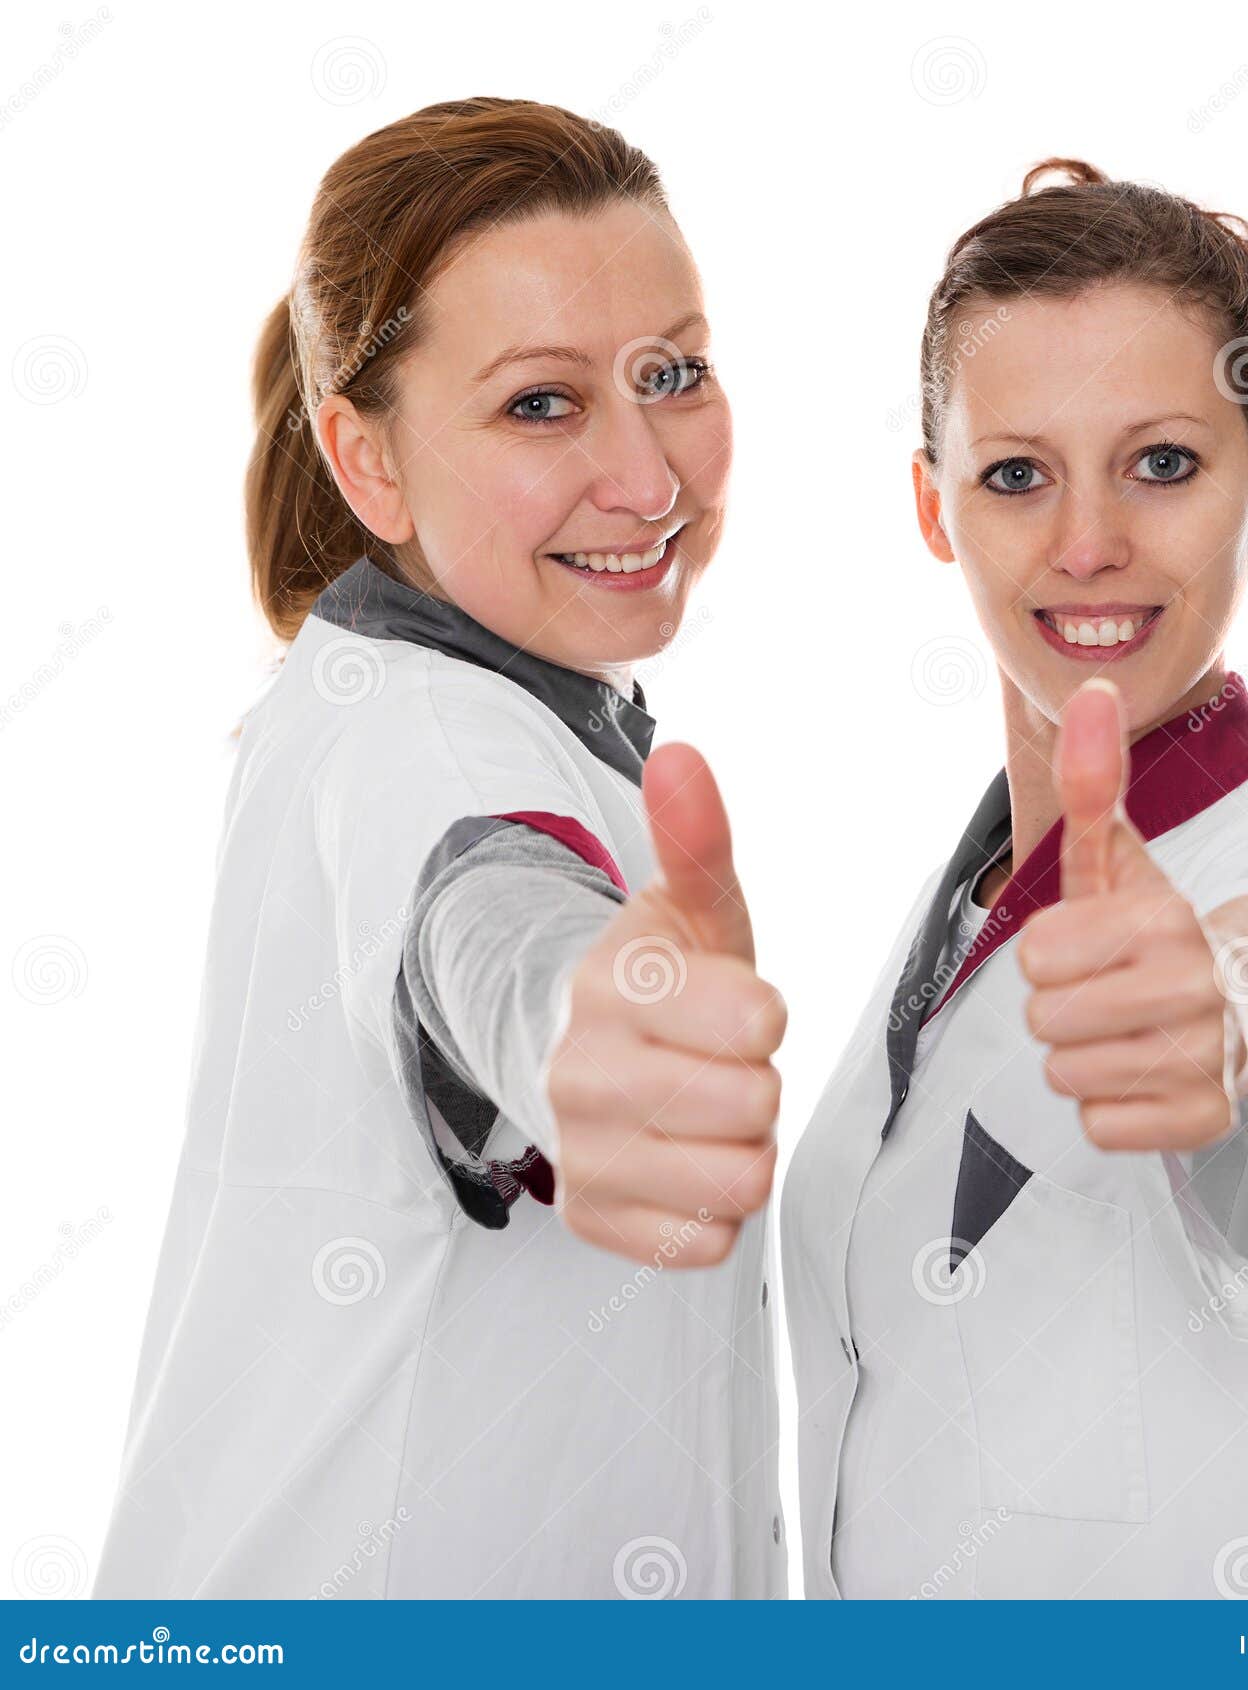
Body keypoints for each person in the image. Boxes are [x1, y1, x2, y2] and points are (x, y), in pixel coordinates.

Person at [94, 97, 786, 1600]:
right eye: (542, 403)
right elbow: (492, 920)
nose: (648, 478)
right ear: (369, 461)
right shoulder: (423, 737)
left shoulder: (434, 707)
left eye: (671, 373)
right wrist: (587, 1028)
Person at [781, 159, 1248, 1600]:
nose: (1087, 543)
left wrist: (1238, 1007)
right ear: (931, 503)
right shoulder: (953, 920)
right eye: (1016, 472)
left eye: (1162, 462)